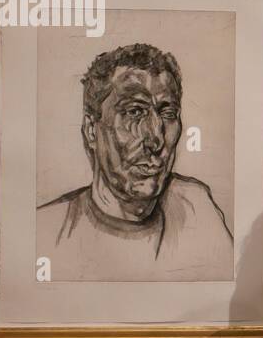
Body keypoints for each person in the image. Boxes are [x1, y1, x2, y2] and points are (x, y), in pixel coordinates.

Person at [36, 42, 233, 281]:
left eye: (167, 114)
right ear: (91, 130)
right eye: (134, 112)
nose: (156, 138)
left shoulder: (197, 207)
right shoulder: (46, 231)